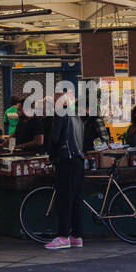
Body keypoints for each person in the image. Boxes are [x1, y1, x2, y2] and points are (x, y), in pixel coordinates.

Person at [44, 106, 86, 250]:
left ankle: (63, 237)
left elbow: (55, 138)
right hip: (79, 161)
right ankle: (76, 236)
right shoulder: (77, 117)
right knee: (76, 200)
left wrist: (50, 156)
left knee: (64, 200)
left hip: (66, 161)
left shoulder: (60, 114)